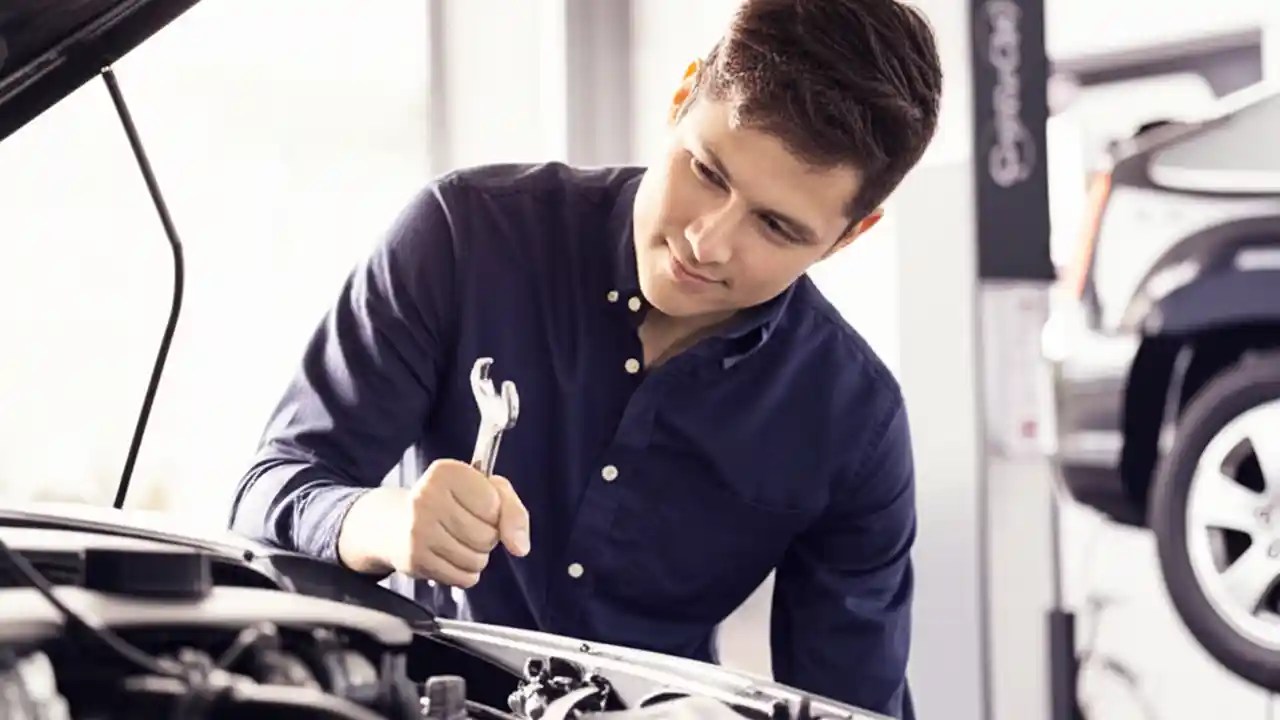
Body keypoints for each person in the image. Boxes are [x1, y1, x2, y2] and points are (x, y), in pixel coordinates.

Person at [229, 1, 942, 717]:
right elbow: (268, 493)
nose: (708, 241)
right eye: (707, 171)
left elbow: (852, 705)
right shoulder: (464, 236)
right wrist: (374, 523)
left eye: (776, 226)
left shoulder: (855, 423)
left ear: (848, 237)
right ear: (682, 93)